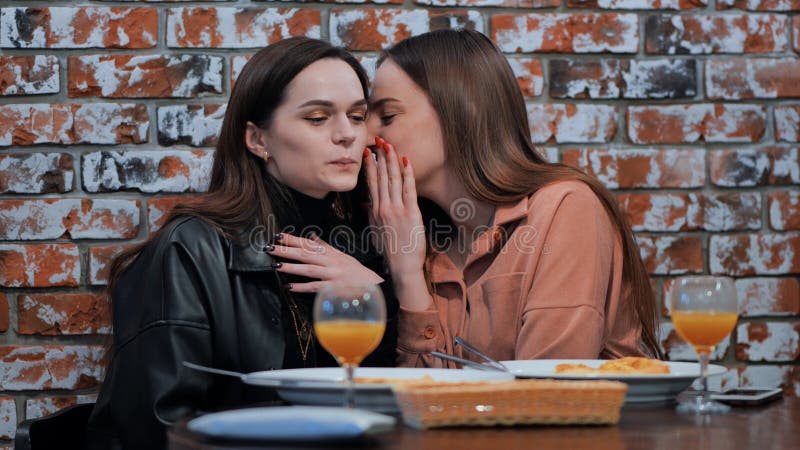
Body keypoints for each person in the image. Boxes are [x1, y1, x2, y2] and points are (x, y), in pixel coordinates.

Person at [86, 37, 398, 449]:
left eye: (357, 116)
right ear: (257, 140)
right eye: (318, 117)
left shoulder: (371, 240)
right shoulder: (192, 250)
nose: (347, 135)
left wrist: (380, 295)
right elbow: (160, 428)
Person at [361, 29, 662, 367]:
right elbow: (420, 397)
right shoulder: (417, 238)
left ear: (463, 112)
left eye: (387, 116)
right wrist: (406, 275)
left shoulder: (566, 207)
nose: (367, 135)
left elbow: (546, 388)